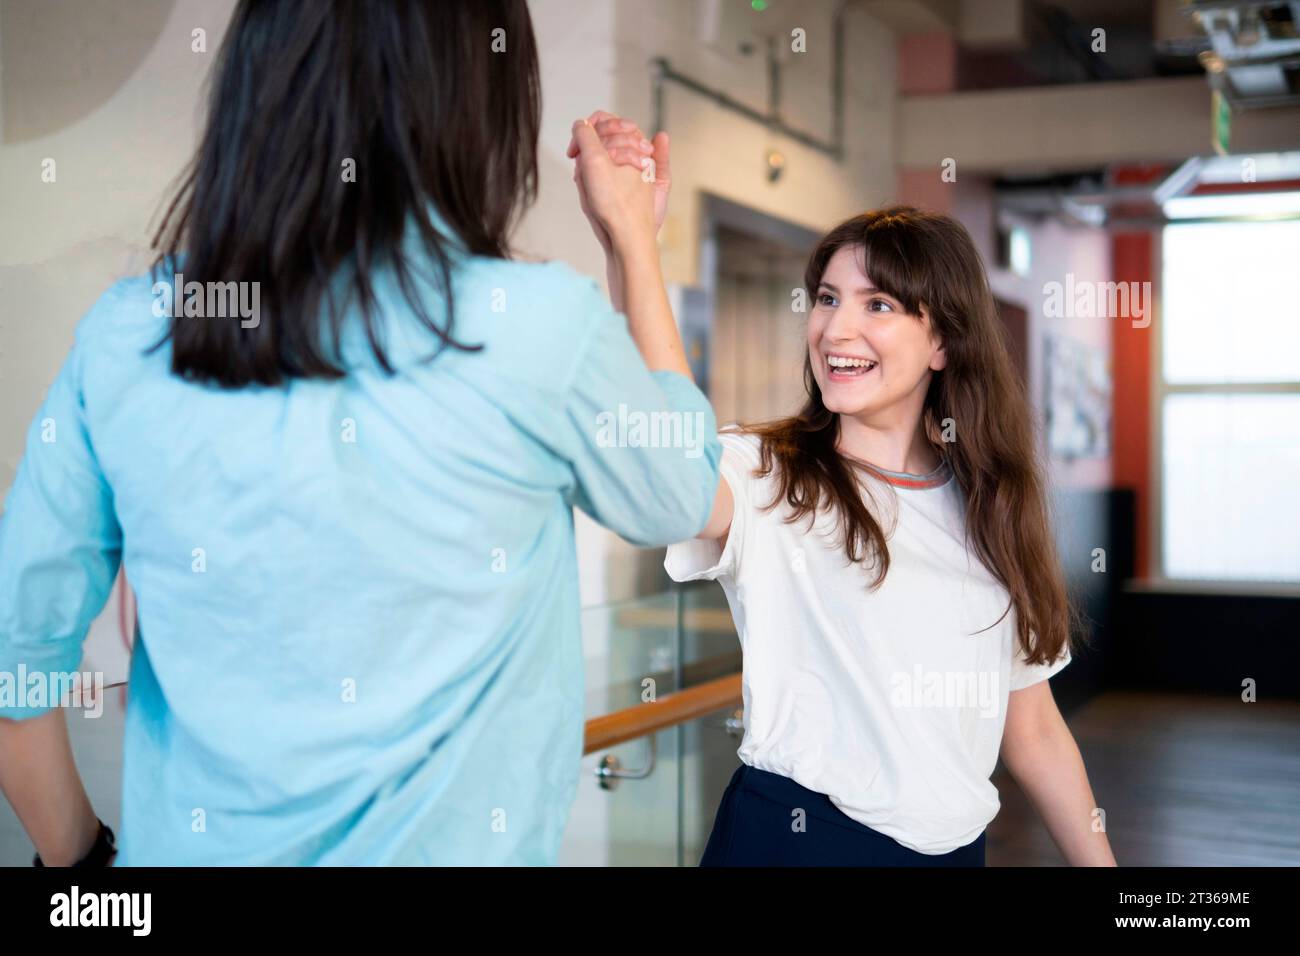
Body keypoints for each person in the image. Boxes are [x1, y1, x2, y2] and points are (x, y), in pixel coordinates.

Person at [0, 0, 718, 866]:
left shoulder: (133, 332)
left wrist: (77, 865)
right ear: (481, 99)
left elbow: (14, 658)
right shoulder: (535, 330)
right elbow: (681, 496)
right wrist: (635, 242)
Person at [663, 207, 1118, 866]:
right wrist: (632, 248)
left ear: (942, 342)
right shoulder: (767, 472)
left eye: (877, 304)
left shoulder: (991, 502)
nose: (834, 328)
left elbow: (1034, 727)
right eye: (826, 298)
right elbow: (673, 480)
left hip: (957, 852)